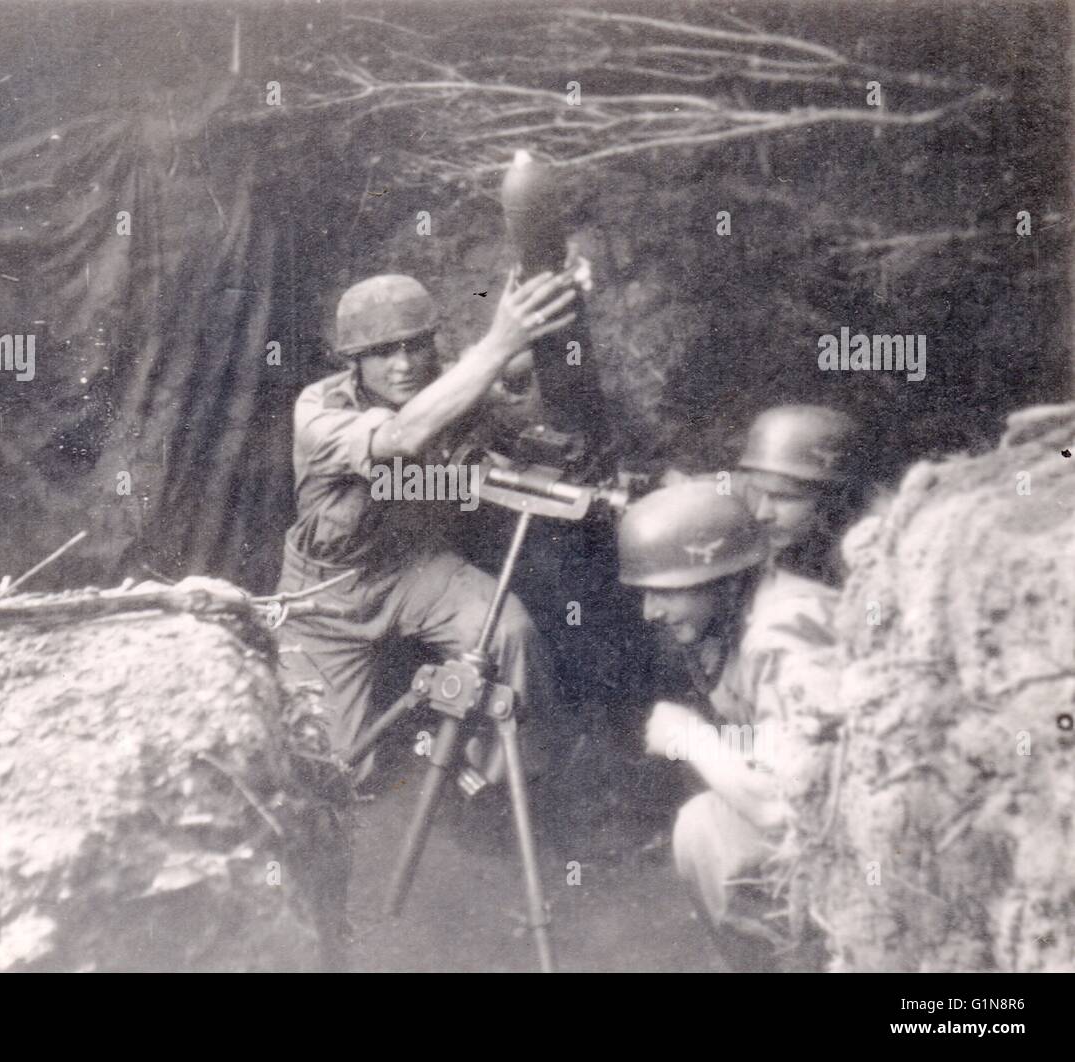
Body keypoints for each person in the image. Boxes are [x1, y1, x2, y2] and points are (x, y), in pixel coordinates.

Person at [274, 268, 581, 789]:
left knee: (509, 633)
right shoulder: (318, 410)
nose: (404, 365)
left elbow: (511, 379)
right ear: (354, 359)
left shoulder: (446, 381)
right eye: (384, 351)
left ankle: (506, 785)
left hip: (414, 568)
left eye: (416, 346)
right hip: (325, 594)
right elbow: (404, 433)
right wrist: (501, 340)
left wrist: (551, 289)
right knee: (332, 765)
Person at [616, 480, 838, 969]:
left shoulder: (784, 637)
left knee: (704, 831)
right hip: (835, 815)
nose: (649, 611)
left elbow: (785, 806)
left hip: (865, 835)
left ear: (721, 576)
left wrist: (690, 738)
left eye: (663, 592)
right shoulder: (746, 608)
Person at [736, 404, 862, 587]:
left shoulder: (874, 560)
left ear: (835, 498)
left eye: (783, 498)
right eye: (757, 493)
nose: (762, 514)